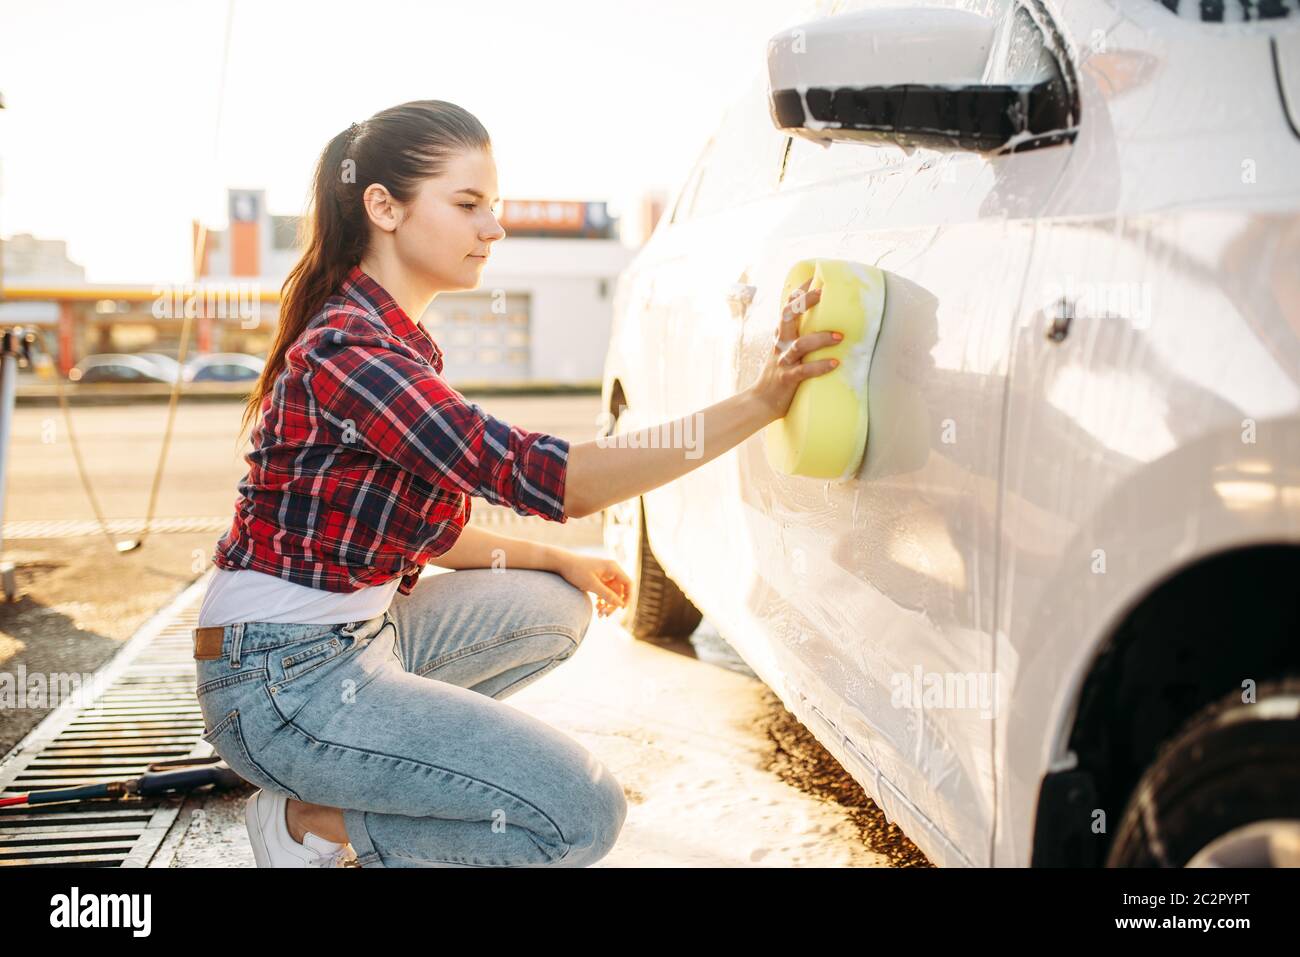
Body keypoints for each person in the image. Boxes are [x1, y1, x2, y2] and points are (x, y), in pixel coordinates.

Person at [192, 99, 839, 868]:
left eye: (492, 208)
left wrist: (557, 559)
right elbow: (561, 480)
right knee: (577, 814)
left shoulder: (394, 338)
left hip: (348, 644)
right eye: (467, 205)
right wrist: (760, 403)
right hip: (280, 684)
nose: (492, 229)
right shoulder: (352, 352)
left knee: (554, 606)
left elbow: (425, 529)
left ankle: (370, 766)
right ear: (383, 207)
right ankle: (310, 824)